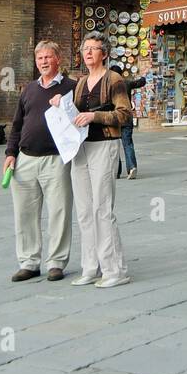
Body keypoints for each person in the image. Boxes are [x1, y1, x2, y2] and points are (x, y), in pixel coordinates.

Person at [58, 32, 132, 288]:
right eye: (85, 48)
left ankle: (115, 270)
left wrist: (94, 117)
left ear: (105, 52)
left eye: (94, 48)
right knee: (84, 211)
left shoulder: (114, 79)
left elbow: (124, 114)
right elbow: (75, 114)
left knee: (102, 208)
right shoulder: (80, 82)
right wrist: (61, 106)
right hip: (80, 148)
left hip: (105, 145)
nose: (88, 52)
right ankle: (91, 267)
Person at [3, 40, 76, 282]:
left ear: (58, 59)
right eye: (39, 58)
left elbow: (79, 122)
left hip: (56, 159)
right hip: (25, 159)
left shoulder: (71, 87)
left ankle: (56, 262)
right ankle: (29, 262)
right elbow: (16, 125)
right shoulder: (29, 90)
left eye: (47, 57)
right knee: (24, 214)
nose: (43, 62)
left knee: (59, 211)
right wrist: (10, 153)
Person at [110, 63, 144, 179]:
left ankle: (116, 171)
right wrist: (143, 77)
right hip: (127, 118)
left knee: (115, 145)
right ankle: (131, 167)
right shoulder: (127, 83)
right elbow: (141, 82)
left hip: (115, 119)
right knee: (128, 144)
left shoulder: (109, 84)